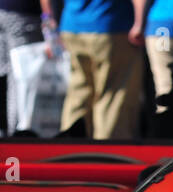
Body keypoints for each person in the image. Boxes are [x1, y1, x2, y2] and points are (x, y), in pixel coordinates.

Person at [45, 0, 144, 138]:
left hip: (72, 26)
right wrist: (140, 23)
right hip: (112, 27)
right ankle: (108, 150)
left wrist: (49, 24)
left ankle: (70, 146)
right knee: (112, 95)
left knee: (78, 92)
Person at [0, 0, 44, 133]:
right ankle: (11, 134)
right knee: (18, 78)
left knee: (2, 75)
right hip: (19, 11)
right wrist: (51, 17)